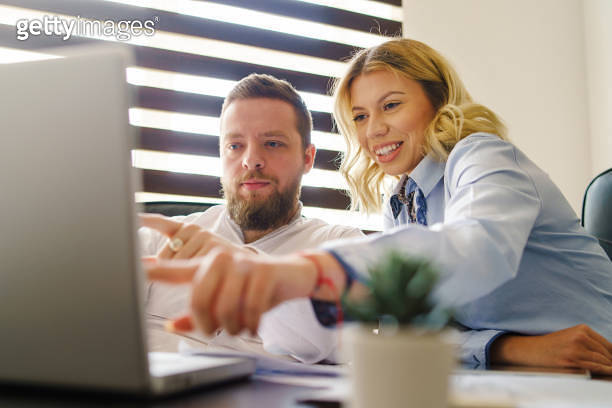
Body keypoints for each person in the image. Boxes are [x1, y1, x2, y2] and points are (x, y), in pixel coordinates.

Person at [146, 40, 612, 374]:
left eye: (391, 105)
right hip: (524, 377)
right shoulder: (403, 202)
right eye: (361, 117)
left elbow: (479, 250)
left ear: (437, 102)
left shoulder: (481, 154)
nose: (374, 131)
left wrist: (302, 272)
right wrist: (509, 350)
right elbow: (407, 330)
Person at [140, 73, 363, 364]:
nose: (251, 160)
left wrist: (250, 268)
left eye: (272, 143)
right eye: (235, 145)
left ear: (307, 158)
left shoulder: (341, 247)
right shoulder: (159, 239)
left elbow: (344, 342)